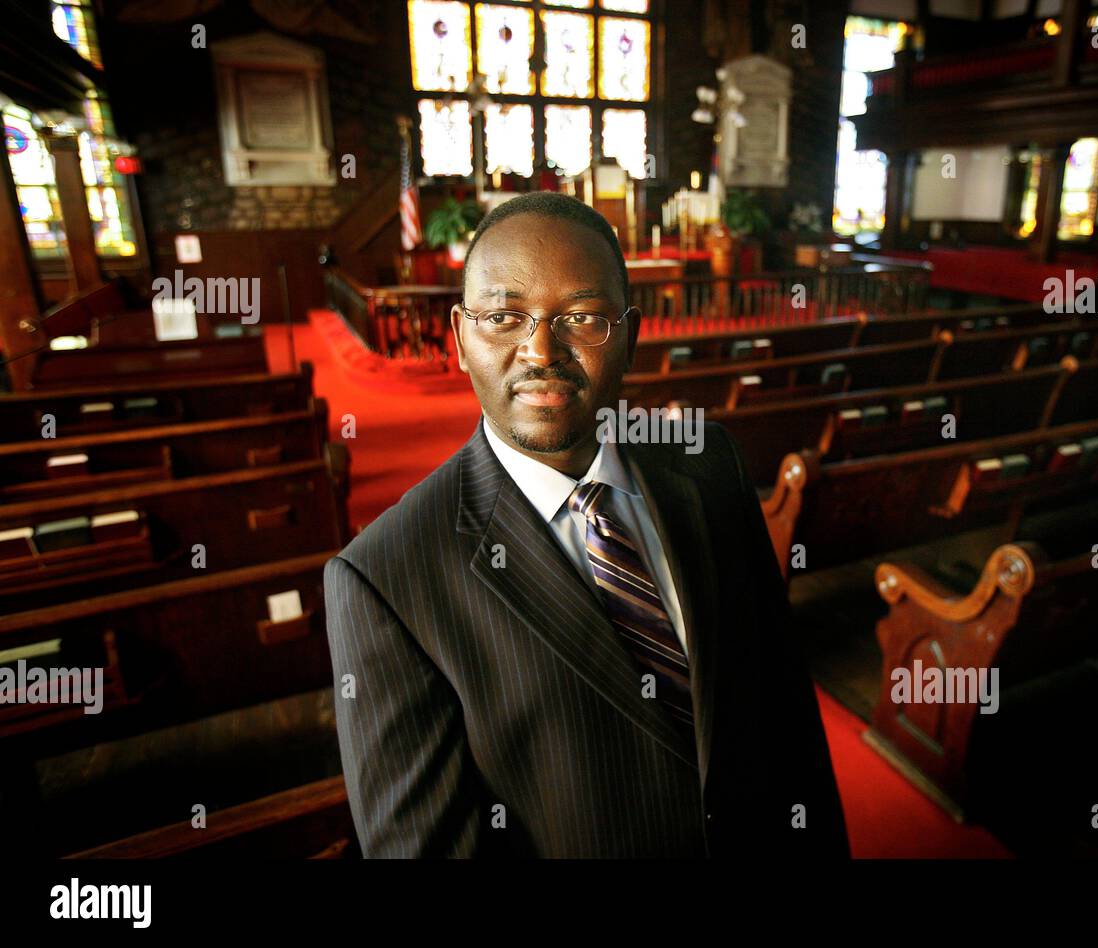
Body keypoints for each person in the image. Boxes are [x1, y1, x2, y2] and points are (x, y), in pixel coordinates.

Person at [324, 191, 849, 858]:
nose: (540, 350)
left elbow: (784, 707)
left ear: (628, 334)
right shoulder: (386, 578)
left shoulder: (708, 465)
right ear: (459, 338)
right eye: (504, 316)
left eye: (582, 316)